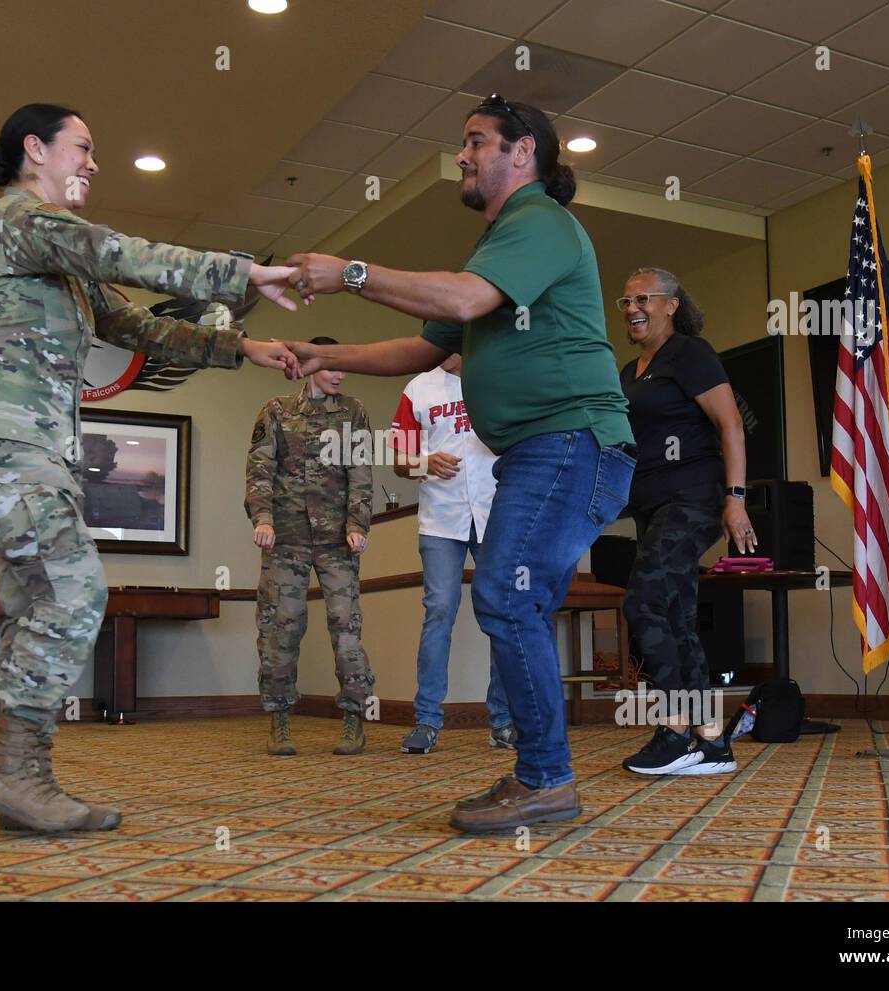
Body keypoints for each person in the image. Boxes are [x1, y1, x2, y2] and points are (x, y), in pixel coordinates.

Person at [0, 103, 299, 833]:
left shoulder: (42, 247)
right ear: (35, 150)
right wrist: (243, 272)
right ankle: (14, 769)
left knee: (41, 601)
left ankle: (21, 777)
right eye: (84, 148)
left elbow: (132, 323)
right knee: (73, 595)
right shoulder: (17, 220)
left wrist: (240, 347)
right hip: (7, 437)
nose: (95, 163)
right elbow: (116, 252)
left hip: (17, 442)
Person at [281, 95, 636, 832]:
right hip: (548, 450)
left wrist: (349, 271)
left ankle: (546, 779)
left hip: (571, 441)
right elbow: (422, 347)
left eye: (476, 142)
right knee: (518, 602)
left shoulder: (540, 222)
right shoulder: (501, 245)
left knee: (506, 596)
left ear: (523, 152)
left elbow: (465, 297)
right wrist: (327, 354)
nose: (463, 156)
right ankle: (543, 774)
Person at [616, 267, 757, 776]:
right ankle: (712, 742)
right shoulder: (630, 373)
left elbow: (731, 424)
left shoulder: (690, 354)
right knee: (674, 614)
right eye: (625, 301)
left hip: (694, 499)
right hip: (651, 505)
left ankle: (676, 729)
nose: (632, 308)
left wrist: (735, 500)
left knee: (644, 601)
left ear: (670, 305)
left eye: (643, 299)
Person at [246, 337, 375, 756]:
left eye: (343, 368)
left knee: (346, 628)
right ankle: (279, 718)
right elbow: (260, 468)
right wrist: (262, 517)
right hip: (286, 539)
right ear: (308, 366)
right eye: (331, 366)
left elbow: (360, 472)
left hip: (338, 540)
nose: (339, 374)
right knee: (281, 627)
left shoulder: (353, 412)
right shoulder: (276, 410)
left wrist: (358, 524)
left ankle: (355, 718)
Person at [389, 354, 514, 754]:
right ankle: (426, 720)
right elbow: (399, 464)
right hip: (442, 520)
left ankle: (504, 721)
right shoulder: (418, 389)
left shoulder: (497, 377)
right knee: (439, 610)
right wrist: (423, 462)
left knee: (501, 612)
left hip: (496, 514)